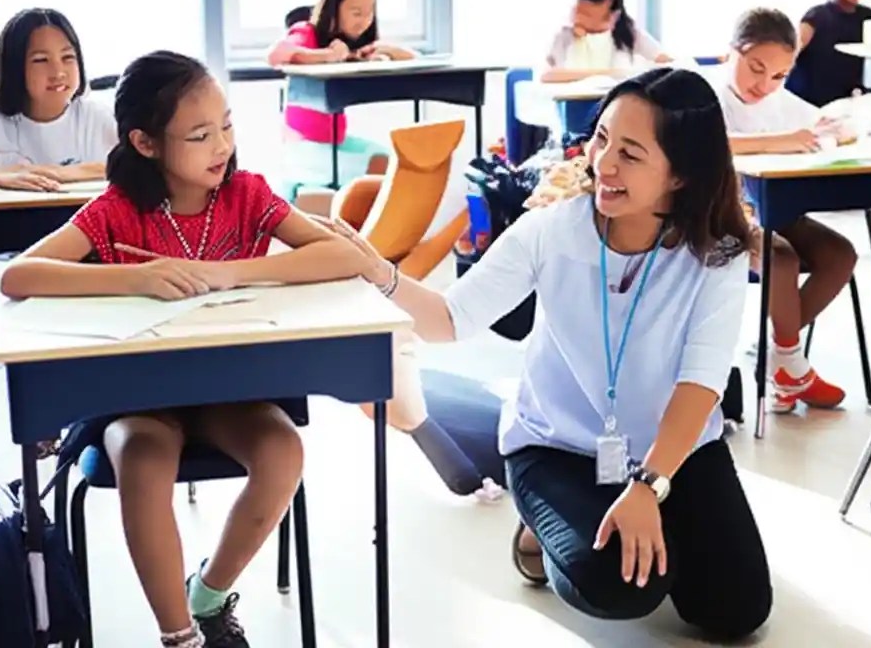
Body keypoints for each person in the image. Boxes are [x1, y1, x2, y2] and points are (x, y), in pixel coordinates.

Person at [323, 67, 772, 639]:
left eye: (630, 154)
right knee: (621, 587)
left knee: (735, 613)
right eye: (602, 138)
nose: (603, 164)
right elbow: (449, 319)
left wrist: (648, 486)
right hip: (557, 448)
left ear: (681, 174)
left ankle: (644, 517)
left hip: (673, 453)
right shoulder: (551, 230)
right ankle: (538, 529)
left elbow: (701, 383)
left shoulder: (717, 254)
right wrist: (373, 268)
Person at [0, 50, 370, 648]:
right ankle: (181, 637)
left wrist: (231, 273)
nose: (221, 144)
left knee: (282, 451)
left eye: (226, 125)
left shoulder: (247, 195)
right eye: (199, 135)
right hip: (136, 395)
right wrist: (133, 276)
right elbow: (19, 275)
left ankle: (210, 594)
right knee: (143, 462)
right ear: (146, 143)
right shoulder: (119, 210)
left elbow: (347, 256)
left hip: (227, 387)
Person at [706, 7, 855, 409]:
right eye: (756, 68)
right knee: (781, 259)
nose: (764, 84)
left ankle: (777, 355)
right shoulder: (705, 93)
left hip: (774, 209)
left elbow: (835, 125)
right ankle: (789, 366)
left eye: (779, 76)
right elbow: (710, 145)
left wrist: (831, 131)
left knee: (840, 254)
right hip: (717, 215)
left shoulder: (779, 102)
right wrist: (781, 140)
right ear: (731, 52)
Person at [265, 0, 408, 198]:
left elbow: (414, 58)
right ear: (335, 8)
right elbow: (275, 54)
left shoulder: (349, 42)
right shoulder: (307, 32)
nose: (364, 21)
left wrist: (383, 49)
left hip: (335, 142)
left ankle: (376, 232)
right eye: (356, 12)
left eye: (370, 12)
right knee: (378, 166)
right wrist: (327, 56)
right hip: (304, 149)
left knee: (395, 161)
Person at [0, 8, 113, 190]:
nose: (58, 72)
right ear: (13, 67)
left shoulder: (98, 115)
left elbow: (142, 163)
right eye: (41, 60)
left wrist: (60, 173)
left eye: (67, 57)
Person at [541, 0, 672, 83]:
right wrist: (609, 74)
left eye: (587, 14)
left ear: (611, 14)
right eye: (577, 10)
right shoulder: (564, 34)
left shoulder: (627, 32)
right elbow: (545, 74)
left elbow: (669, 63)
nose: (578, 18)